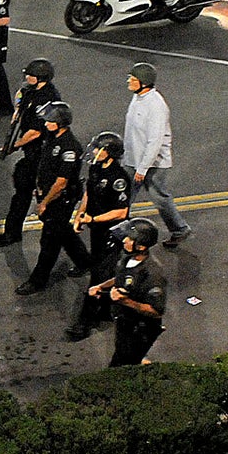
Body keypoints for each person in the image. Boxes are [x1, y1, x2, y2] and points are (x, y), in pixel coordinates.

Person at [14, 102, 94, 296]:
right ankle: (84, 262)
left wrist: (44, 203)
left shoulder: (69, 148)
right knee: (62, 231)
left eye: (50, 120)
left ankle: (37, 280)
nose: (46, 123)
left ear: (60, 123)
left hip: (60, 199)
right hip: (49, 194)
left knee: (49, 242)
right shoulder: (52, 137)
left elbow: (61, 183)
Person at [66, 131, 133, 342]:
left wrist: (92, 220)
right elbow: (88, 192)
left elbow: (121, 212)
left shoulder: (118, 178)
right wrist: (80, 214)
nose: (94, 151)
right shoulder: (95, 168)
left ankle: (84, 321)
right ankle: (105, 310)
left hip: (111, 234)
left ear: (109, 153)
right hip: (96, 231)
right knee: (101, 269)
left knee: (98, 276)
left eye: (99, 149)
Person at [123, 62, 192, 248]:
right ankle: (121, 232)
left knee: (159, 198)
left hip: (151, 164)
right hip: (132, 159)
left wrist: (143, 168)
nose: (128, 81)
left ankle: (179, 229)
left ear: (143, 83)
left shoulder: (156, 106)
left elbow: (154, 140)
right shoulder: (138, 98)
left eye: (133, 79)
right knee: (122, 196)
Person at [0, 58, 61, 247]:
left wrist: (14, 146)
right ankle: (12, 232)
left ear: (41, 78)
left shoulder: (48, 99)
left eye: (30, 75)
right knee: (22, 193)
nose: (26, 76)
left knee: (42, 199)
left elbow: (36, 131)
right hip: (31, 154)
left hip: (42, 155)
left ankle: (58, 234)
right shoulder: (31, 90)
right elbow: (20, 105)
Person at [86, 218, 166, 366]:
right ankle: (138, 359)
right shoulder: (129, 257)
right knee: (126, 352)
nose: (124, 240)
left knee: (121, 364)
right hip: (124, 320)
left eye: (129, 238)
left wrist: (125, 301)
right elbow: (122, 276)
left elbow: (156, 311)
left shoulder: (153, 274)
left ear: (141, 246)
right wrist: (102, 286)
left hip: (140, 328)